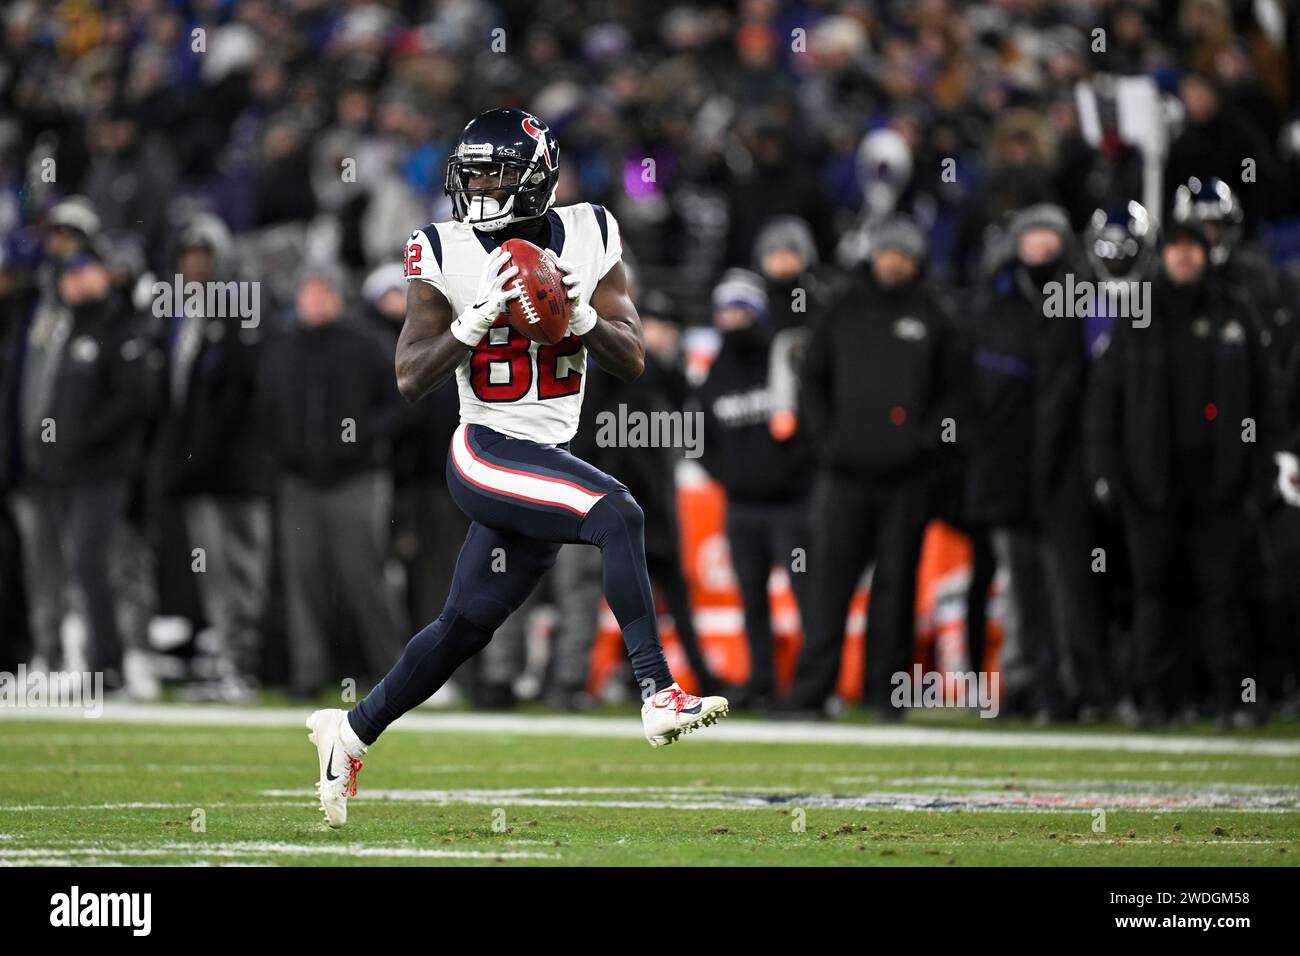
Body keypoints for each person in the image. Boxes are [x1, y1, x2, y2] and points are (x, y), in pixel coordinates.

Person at [305, 108, 728, 829]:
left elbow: (631, 357)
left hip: (548, 454)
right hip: (485, 449)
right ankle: (658, 691)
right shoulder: (440, 247)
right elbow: (410, 375)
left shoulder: (592, 231)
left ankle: (347, 735)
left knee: (465, 625)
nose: (480, 186)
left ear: (537, 180)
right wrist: (473, 322)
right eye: (472, 173)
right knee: (617, 512)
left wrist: (579, 313)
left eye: (496, 172)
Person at [1085, 218, 1277, 727]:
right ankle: (1156, 699)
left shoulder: (1235, 309)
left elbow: (1267, 399)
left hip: (1221, 480)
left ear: (1205, 252)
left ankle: (1231, 698)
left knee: (1224, 594)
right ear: (1163, 254)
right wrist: (1105, 470)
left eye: (1192, 247)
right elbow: (1105, 401)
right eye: (1175, 248)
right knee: (1155, 596)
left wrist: (1262, 467)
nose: (1184, 257)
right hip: (1152, 482)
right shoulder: (1137, 317)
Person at [785, 217, 964, 719]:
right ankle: (810, 693)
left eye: (905, 255)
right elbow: (811, 381)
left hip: (906, 483)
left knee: (896, 592)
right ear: (874, 255)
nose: (895, 262)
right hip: (841, 478)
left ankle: (886, 697)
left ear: (916, 260)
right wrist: (826, 442)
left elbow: (957, 395)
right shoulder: (840, 309)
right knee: (828, 589)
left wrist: (926, 444)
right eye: (888, 253)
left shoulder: (935, 315)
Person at [261, 266, 407, 698]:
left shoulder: (366, 346)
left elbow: (401, 402)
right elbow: (265, 410)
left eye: (323, 291)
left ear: (339, 297)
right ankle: (307, 674)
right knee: (302, 579)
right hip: (299, 481)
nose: (315, 300)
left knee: (365, 578)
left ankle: (395, 673)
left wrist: (361, 440)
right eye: (309, 291)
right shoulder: (283, 349)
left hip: (356, 480)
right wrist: (284, 454)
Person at [160, 214, 272, 698]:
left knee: (241, 570)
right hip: (200, 470)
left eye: (203, 256)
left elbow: (243, 396)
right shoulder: (185, 317)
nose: (194, 266)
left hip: (238, 468)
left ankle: (241, 666)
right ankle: (225, 657)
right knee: (213, 574)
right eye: (188, 257)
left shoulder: (243, 310)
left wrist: (198, 455)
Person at [695, 269, 813, 710]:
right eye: (725, 309)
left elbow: (811, 421)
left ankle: (811, 685)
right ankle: (762, 681)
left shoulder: (782, 359)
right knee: (752, 600)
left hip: (791, 503)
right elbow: (699, 437)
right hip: (742, 506)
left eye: (741, 308)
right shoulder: (716, 372)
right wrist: (733, 476)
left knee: (807, 596)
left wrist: (793, 472)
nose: (733, 317)